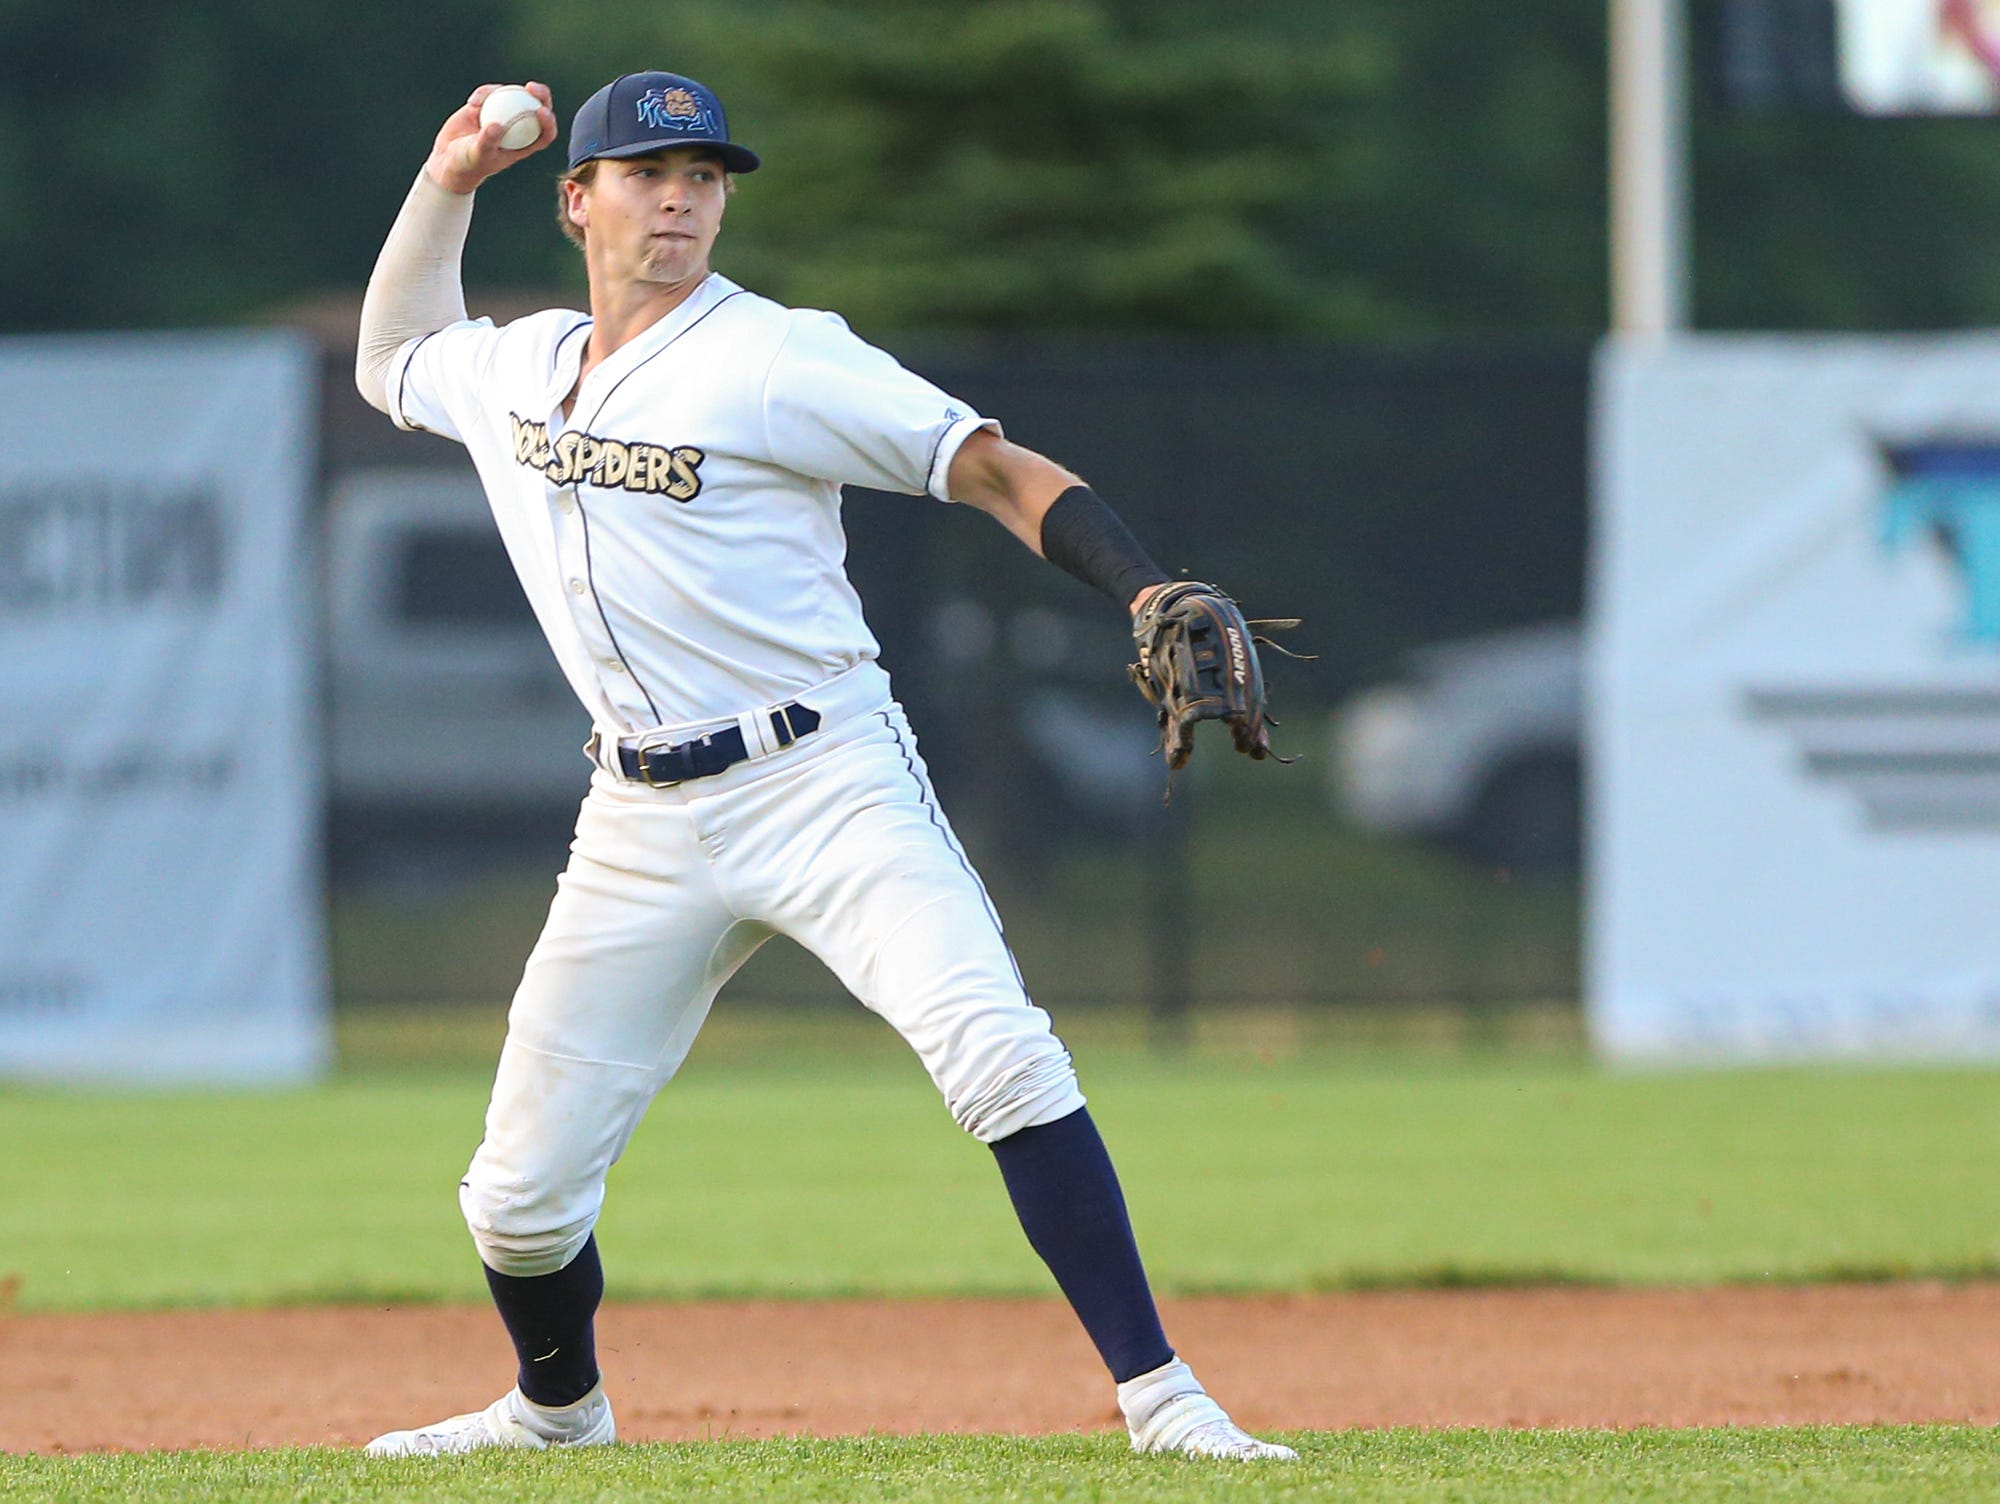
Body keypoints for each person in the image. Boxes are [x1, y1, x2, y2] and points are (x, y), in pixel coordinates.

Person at [352, 72, 1295, 1462]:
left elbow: (990, 468)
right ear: (577, 201)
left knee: (998, 1056)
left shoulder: (783, 357)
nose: (679, 199)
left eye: (705, 176)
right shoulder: (519, 367)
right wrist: (447, 177)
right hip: (636, 813)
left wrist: (1142, 589)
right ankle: (559, 1411)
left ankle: (1166, 1402)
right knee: (516, 1199)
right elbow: (392, 357)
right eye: (645, 173)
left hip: (821, 782)